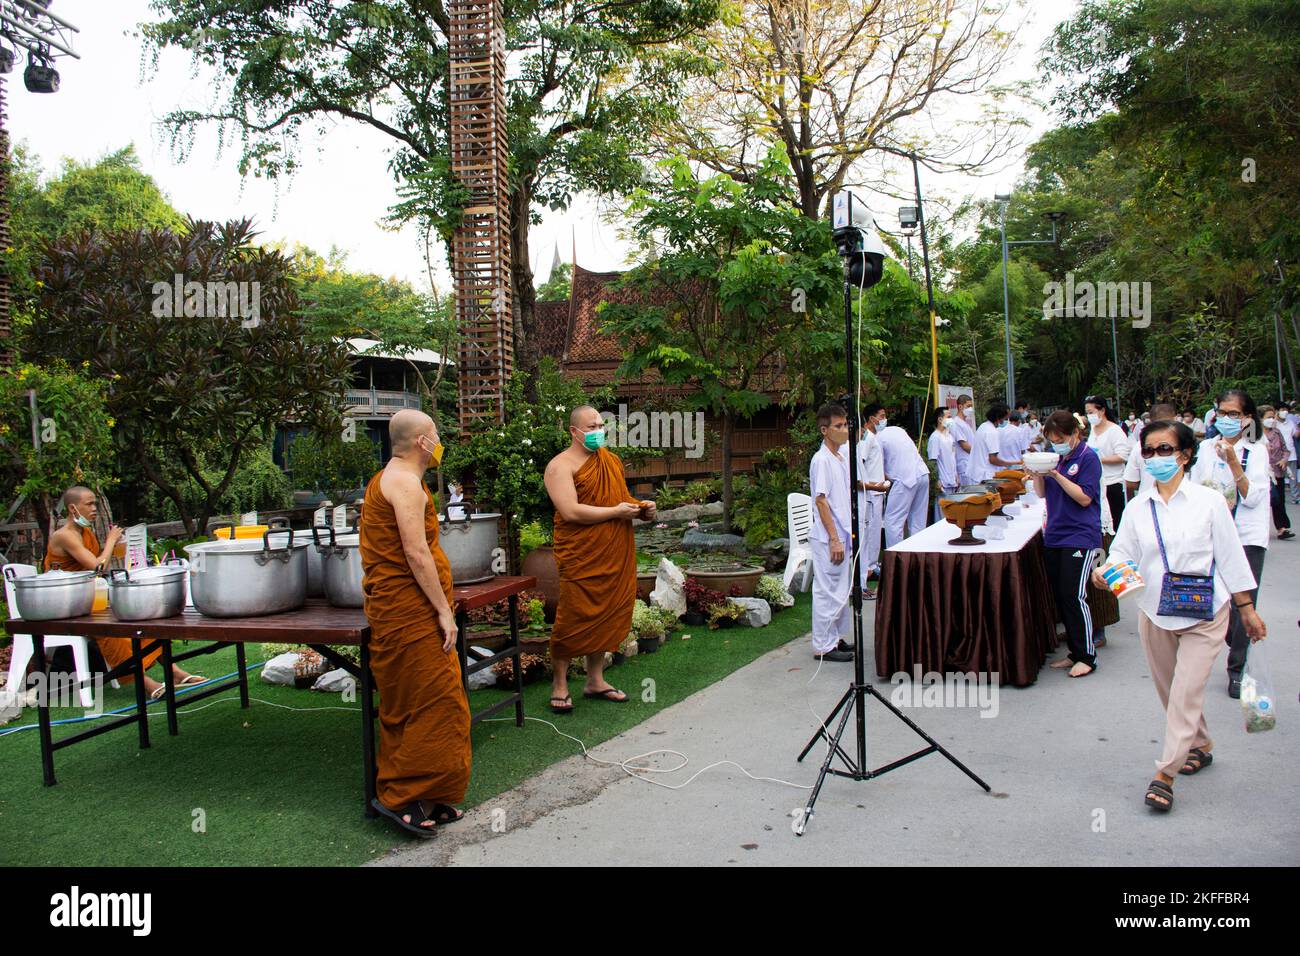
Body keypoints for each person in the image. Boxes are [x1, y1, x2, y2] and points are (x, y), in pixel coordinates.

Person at [1097, 420, 1265, 812]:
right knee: (1171, 692)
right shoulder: (1138, 507)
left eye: (1165, 450)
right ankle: (1201, 744)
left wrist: (1248, 609)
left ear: (1185, 456)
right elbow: (1122, 552)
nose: (1156, 457)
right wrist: (1111, 574)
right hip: (1155, 610)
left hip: (1206, 613)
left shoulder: (1209, 503)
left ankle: (1165, 773)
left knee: (1186, 692)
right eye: (1150, 450)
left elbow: (1231, 559)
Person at [359, 409, 470, 836]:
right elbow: (414, 553)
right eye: (436, 435)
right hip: (409, 610)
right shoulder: (405, 483)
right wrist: (443, 610)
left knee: (437, 698)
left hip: (405, 606)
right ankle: (400, 796)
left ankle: (432, 793)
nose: (440, 441)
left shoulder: (389, 477)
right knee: (427, 699)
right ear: (423, 442)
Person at [44, 486, 206, 699]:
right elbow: (97, 567)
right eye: (89, 504)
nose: (95, 509)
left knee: (141, 619)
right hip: (65, 604)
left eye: (96, 504)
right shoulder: (64, 536)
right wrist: (111, 541)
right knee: (108, 631)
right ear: (73, 508)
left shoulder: (85, 533)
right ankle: (146, 683)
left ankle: (173, 671)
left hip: (88, 598)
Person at [544, 405, 655, 709]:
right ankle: (560, 683)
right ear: (574, 432)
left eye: (601, 425)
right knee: (573, 615)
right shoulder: (559, 466)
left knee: (606, 613)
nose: (598, 431)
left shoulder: (612, 462)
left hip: (613, 553)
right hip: (582, 556)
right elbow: (571, 511)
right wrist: (617, 512)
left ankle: (595, 680)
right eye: (591, 427)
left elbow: (618, 500)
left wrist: (641, 509)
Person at [1188, 390, 1270, 698]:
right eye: (1221, 412)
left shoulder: (1256, 451)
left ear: (1247, 418)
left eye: (1233, 414)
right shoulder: (1206, 447)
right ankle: (1228, 642)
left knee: (1245, 604)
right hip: (1212, 534)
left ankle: (1237, 669)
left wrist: (1234, 463)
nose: (1226, 419)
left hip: (1247, 535)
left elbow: (1255, 497)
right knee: (1217, 599)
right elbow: (1196, 487)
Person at [1030, 412, 1103, 678]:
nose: (1056, 444)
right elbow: (1041, 493)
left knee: (1074, 594)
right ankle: (1074, 651)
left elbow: (1084, 498)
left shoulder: (1088, 458)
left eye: (1060, 439)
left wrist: (1056, 475)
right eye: (1051, 440)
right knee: (1061, 594)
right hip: (1056, 534)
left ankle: (1087, 655)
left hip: (1081, 535)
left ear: (1075, 434)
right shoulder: (1057, 458)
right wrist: (1038, 473)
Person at [808, 403, 854, 662]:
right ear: (825, 430)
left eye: (845, 424)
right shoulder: (822, 459)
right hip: (829, 537)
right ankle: (823, 646)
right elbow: (821, 500)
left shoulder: (840, 456)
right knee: (827, 592)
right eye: (838, 426)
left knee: (840, 590)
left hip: (842, 533)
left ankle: (834, 638)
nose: (844, 430)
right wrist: (834, 538)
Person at [877, 414, 931, 547]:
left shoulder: (876, 438)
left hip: (905, 479)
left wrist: (885, 483)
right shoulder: (898, 430)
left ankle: (896, 560)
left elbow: (877, 467)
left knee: (893, 521)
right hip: (922, 473)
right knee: (918, 522)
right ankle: (918, 558)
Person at [856, 403, 891, 595]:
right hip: (869, 495)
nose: (884, 419)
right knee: (867, 539)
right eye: (882, 415)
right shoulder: (865, 439)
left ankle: (868, 574)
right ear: (871, 419)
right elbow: (859, 467)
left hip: (877, 493)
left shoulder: (873, 438)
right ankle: (862, 582)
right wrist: (871, 486)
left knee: (874, 538)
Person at [1084, 395, 1131, 533]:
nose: (1089, 416)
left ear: (1102, 411)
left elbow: (1122, 455)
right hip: (1098, 482)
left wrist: (1098, 459)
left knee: (1116, 521)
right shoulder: (1093, 428)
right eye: (1087, 413)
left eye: (1091, 412)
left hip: (1113, 482)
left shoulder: (1114, 430)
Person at [1124, 404, 1178, 496]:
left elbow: (1130, 482)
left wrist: (1147, 484)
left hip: (1148, 498)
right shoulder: (1183, 442)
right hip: (1179, 498)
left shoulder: (1140, 446)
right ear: (1175, 419)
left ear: (1151, 420)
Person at [1258, 405, 1293, 540]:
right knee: (1270, 500)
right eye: (1269, 417)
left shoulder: (1277, 433)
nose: (1272, 420)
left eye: (1273, 417)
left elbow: (1285, 449)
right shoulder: (1255, 434)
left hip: (1278, 471)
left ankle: (1282, 528)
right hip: (1264, 473)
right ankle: (1260, 528)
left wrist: (1284, 460)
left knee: (1280, 500)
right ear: (1260, 419)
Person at [967, 403, 1018, 482]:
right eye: (1005, 419)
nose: (1006, 422)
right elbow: (993, 459)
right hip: (985, 476)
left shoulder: (983, 426)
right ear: (999, 418)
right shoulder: (992, 432)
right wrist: (1008, 464)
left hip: (978, 473)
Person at [926, 408, 958, 522]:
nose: (951, 419)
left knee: (952, 515)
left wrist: (956, 476)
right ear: (940, 419)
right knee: (942, 517)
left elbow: (953, 458)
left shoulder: (949, 436)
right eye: (948, 417)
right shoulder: (935, 438)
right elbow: (932, 460)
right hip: (943, 483)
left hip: (952, 482)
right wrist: (937, 480)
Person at [949, 394, 976, 485]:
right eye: (968, 406)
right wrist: (979, 453)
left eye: (971, 406)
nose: (970, 409)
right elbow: (964, 445)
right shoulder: (955, 423)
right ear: (960, 406)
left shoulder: (964, 423)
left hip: (970, 465)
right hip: (964, 465)